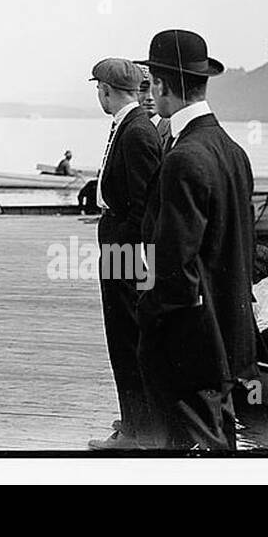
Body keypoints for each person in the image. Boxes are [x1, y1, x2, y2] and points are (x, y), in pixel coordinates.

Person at [134, 29, 256, 451]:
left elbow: (174, 265)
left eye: (151, 82)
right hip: (225, 334)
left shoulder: (185, 156)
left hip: (188, 341)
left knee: (189, 450)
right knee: (217, 444)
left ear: (163, 85)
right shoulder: (232, 150)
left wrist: (149, 315)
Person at [85, 58, 163, 451]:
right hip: (120, 242)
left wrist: (130, 255)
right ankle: (133, 419)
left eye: (99, 88)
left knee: (126, 335)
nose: (98, 94)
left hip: (126, 248)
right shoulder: (130, 125)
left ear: (106, 90)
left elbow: (145, 204)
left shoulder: (135, 132)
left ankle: (138, 432)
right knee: (123, 334)